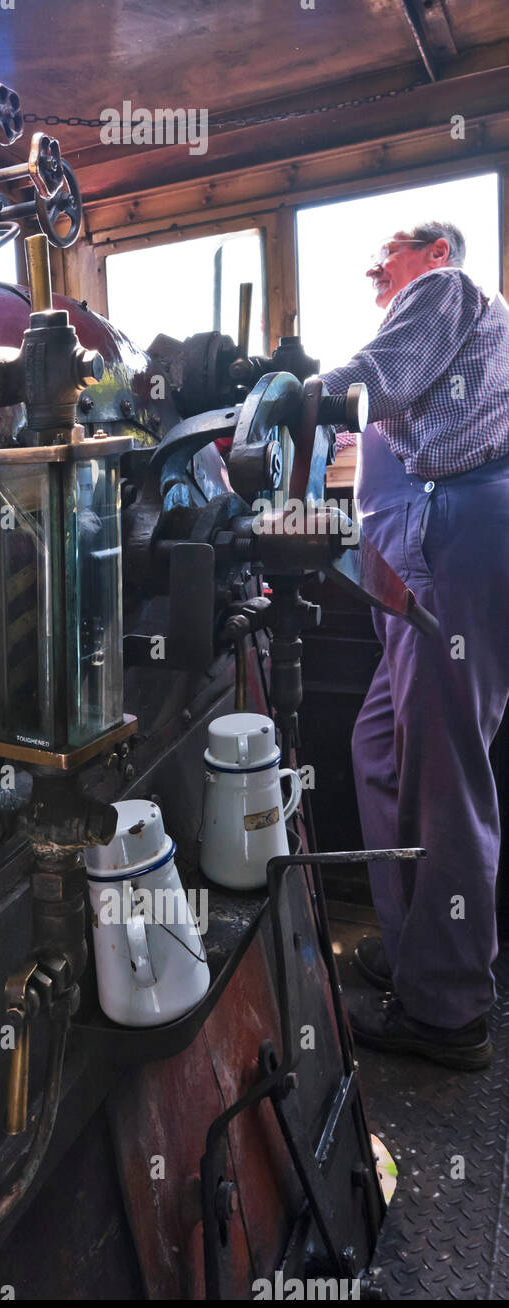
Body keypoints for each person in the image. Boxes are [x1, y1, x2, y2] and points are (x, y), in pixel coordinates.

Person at [320, 221, 509, 1070]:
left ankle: (448, 1010)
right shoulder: (451, 322)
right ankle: (415, 951)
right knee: (379, 751)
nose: (374, 268)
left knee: (440, 767)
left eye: (388, 252)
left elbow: (379, 376)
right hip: (428, 543)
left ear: (437, 251)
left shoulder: (446, 291)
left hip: (449, 531)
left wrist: (301, 388)